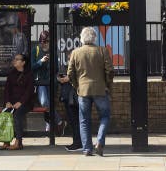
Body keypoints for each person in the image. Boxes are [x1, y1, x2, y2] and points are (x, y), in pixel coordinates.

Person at [67, 27, 113, 157]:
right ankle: (99, 142)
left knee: (84, 120)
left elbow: (70, 73)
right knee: (105, 116)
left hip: (83, 90)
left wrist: (77, 86)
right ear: (94, 38)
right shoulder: (102, 51)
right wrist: (107, 85)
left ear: (82, 38)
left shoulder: (76, 53)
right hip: (100, 89)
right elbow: (110, 71)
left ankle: (87, 149)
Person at [31, 30, 63, 132]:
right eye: (43, 41)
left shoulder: (53, 51)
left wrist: (50, 63)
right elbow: (31, 67)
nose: (45, 44)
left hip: (51, 81)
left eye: (47, 41)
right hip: (40, 81)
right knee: (44, 102)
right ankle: (59, 122)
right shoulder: (35, 50)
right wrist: (41, 61)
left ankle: (48, 125)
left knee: (49, 102)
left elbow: (56, 68)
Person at [1, 53, 34, 150]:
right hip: (11, 103)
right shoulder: (11, 74)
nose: (14, 61)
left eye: (17, 59)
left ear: (23, 62)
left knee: (17, 115)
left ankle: (18, 142)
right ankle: (6, 141)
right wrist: (7, 101)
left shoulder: (29, 74)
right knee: (5, 114)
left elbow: (29, 91)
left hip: (25, 103)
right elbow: (7, 89)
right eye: (14, 59)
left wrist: (21, 102)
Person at [58, 65, 82, 151]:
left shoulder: (79, 63)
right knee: (72, 120)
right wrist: (60, 79)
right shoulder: (66, 65)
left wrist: (70, 78)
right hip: (68, 96)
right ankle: (77, 142)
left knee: (75, 120)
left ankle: (78, 143)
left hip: (74, 96)